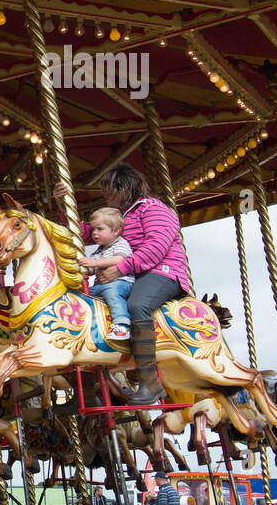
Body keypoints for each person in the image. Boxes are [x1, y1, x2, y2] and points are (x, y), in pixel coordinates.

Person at [57, 163, 191, 404]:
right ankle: (88, 387)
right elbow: (83, 233)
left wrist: (120, 268)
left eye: (110, 191)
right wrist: (63, 204)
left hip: (163, 271)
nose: (106, 196)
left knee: (138, 305)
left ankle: (150, 383)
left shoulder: (154, 209)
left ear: (124, 188)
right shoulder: (121, 218)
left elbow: (156, 247)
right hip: (133, 276)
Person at [80, 207, 135, 341]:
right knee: (82, 297)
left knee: (112, 294)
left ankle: (122, 325)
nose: (95, 233)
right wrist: (81, 267)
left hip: (120, 283)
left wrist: (93, 262)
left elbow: (119, 259)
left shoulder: (120, 244)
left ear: (116, 231)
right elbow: (92, 270)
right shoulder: (98, 251)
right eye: (93, 229)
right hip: (100, 286)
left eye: (100, 229)